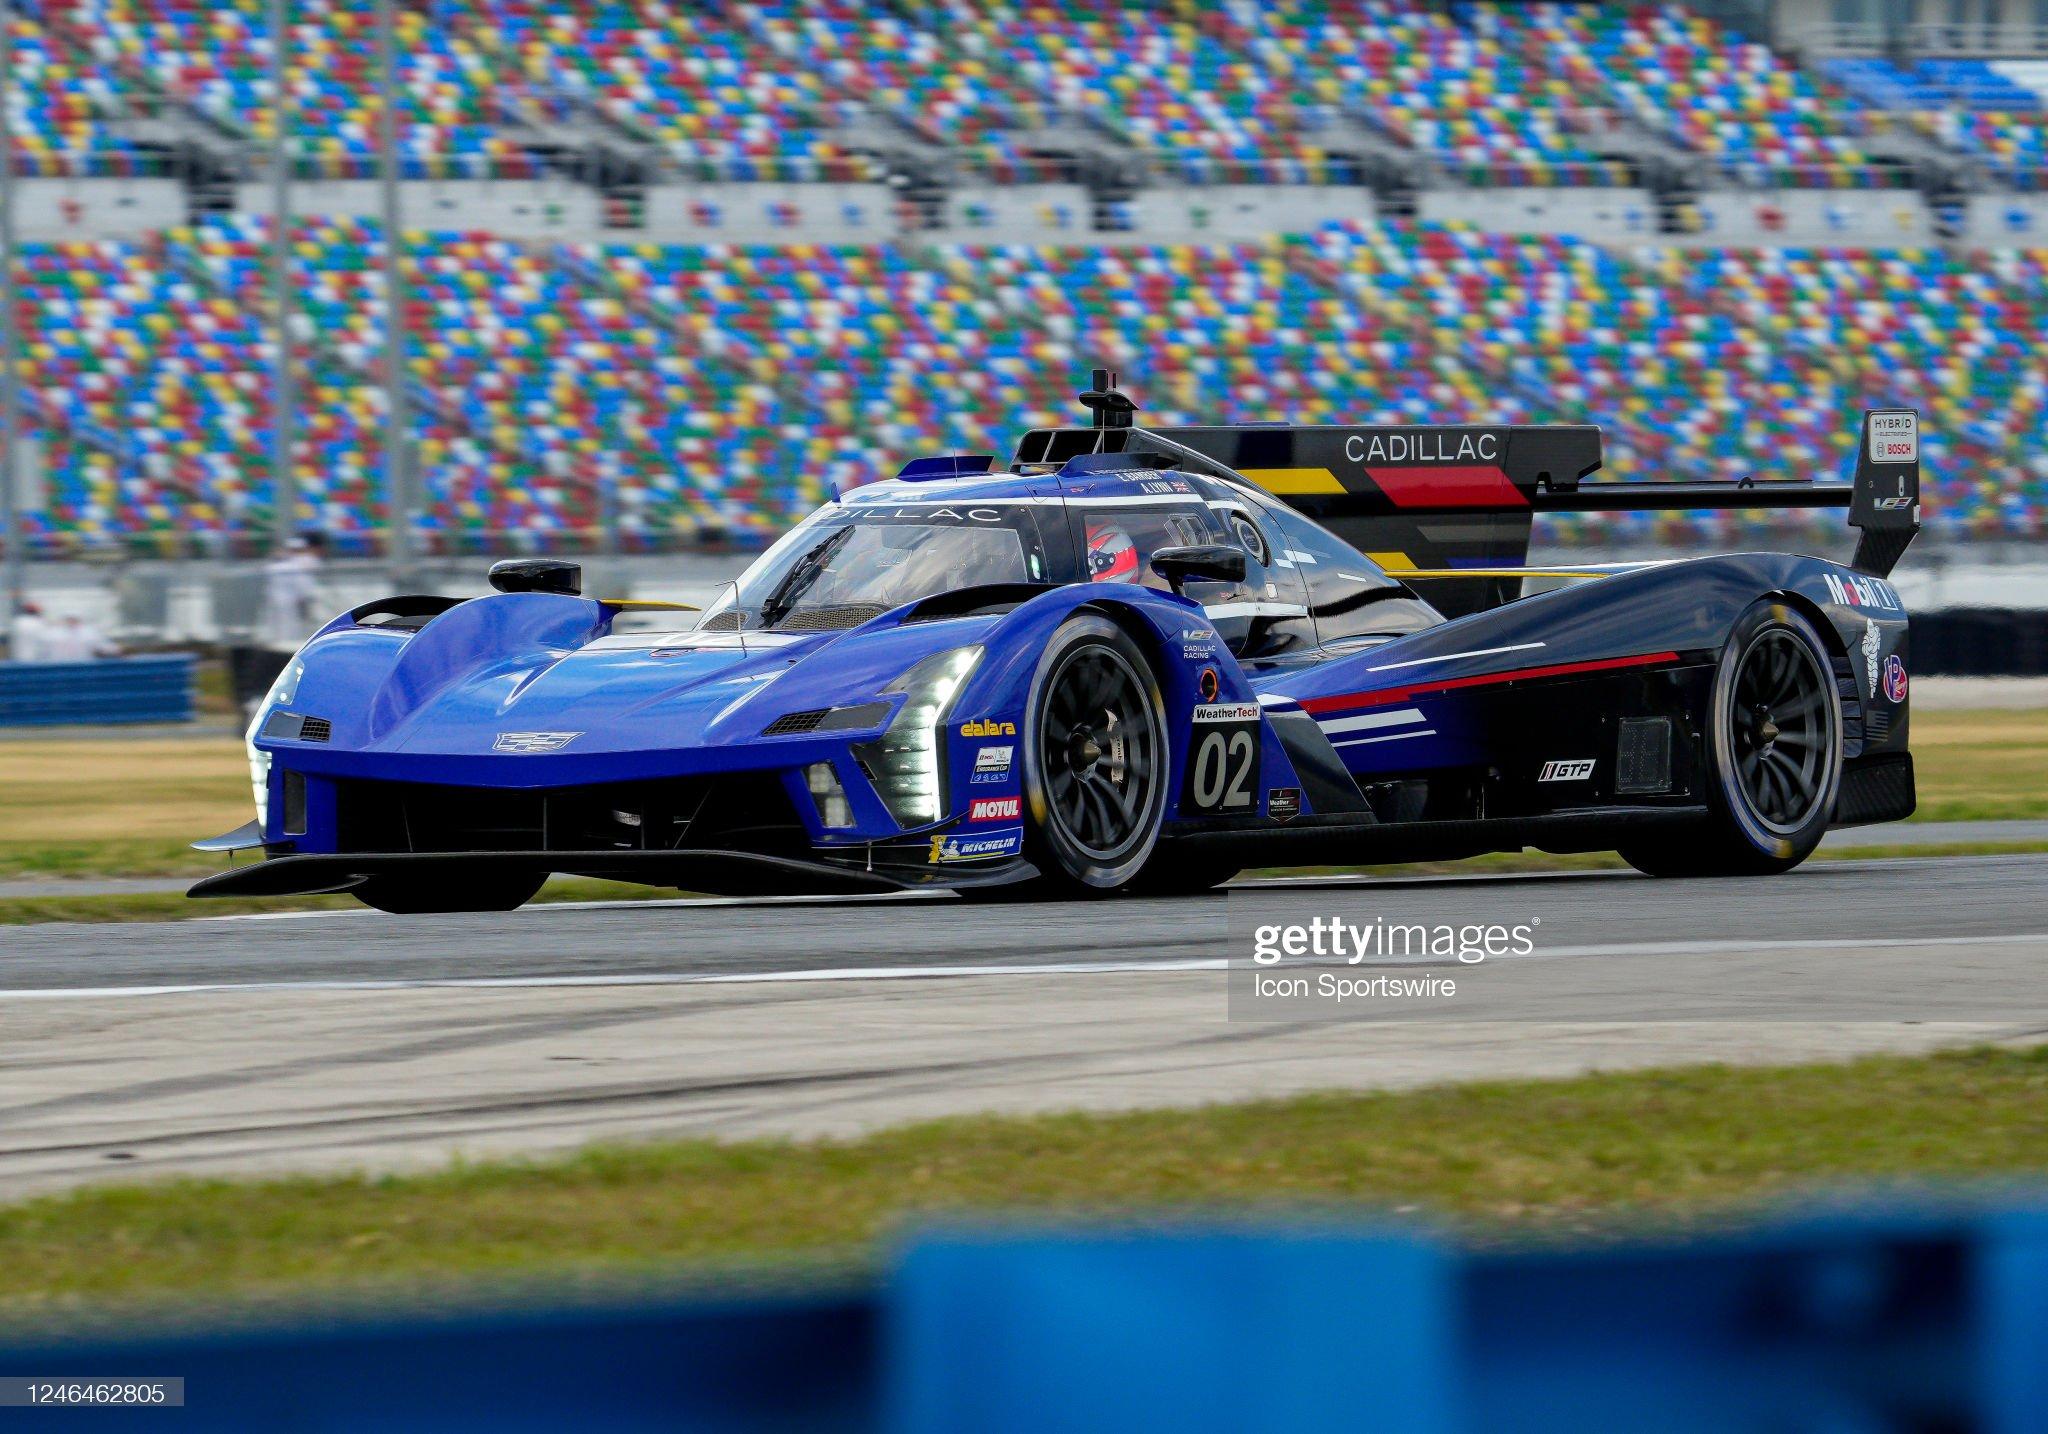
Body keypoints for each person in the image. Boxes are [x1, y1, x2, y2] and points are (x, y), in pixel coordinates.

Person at [260, 533, 327, 650]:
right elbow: (304, 584)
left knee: (286, 624)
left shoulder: (289, 564)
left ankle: (283, 643)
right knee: (288, 625)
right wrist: (307, 596)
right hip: (287, 599)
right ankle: (285, 644)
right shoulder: (292, 564)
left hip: (284, 598)